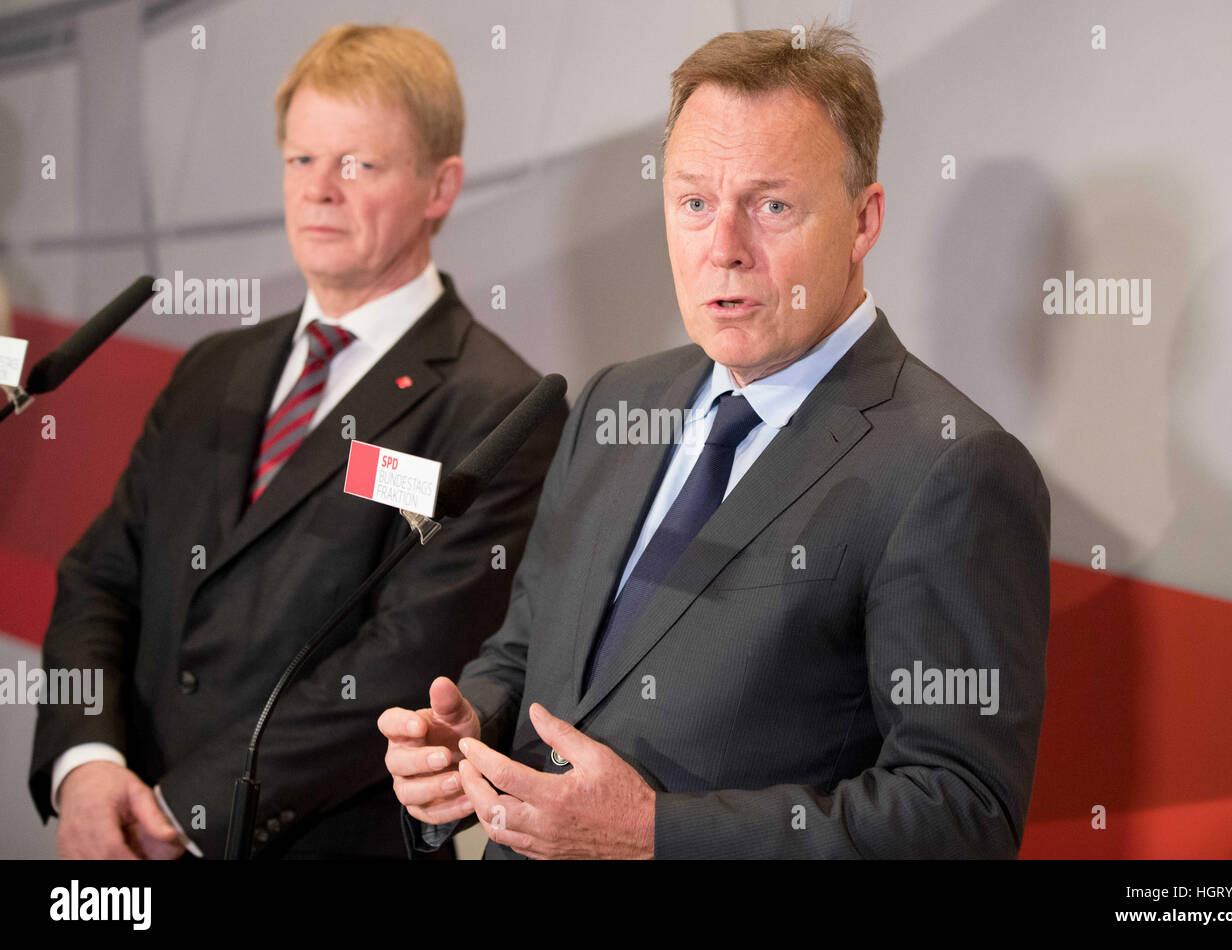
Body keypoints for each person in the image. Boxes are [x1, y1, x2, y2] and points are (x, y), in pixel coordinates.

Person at [382, 24, 1050, 860]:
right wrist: (469, 731)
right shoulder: (615, 402)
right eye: (695, 203)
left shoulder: (951, 470)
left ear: (863, 219)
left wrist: (654, 835)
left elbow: (961, 815)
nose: (723, 249)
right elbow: (531, 648)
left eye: (772, 205)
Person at [29, 24, 567, 860]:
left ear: (439, 186)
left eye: (358, 164)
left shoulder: (498, 411)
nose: (319, 190)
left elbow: (404, 664)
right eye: (301, 160)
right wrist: (88, 763)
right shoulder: (213, 368)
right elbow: (100, 578)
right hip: (115, 830)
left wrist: (181, 811)